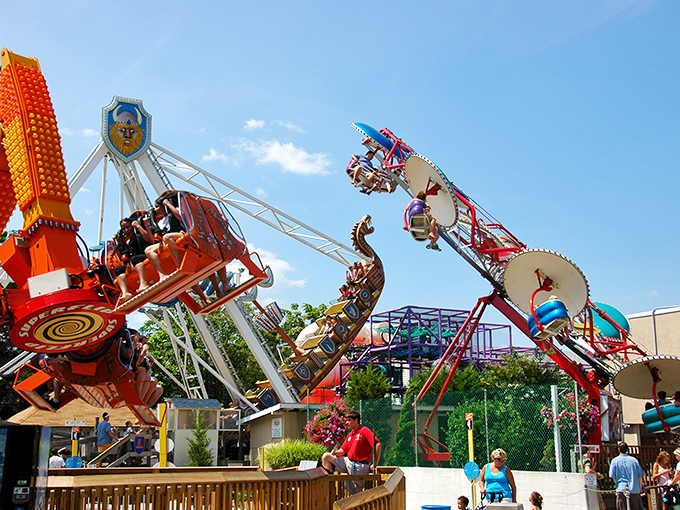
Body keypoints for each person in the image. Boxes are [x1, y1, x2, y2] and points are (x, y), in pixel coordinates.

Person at [321, 410, 381, 495]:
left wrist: (375, 464)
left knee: (355, 493)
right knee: (326, 457)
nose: (347, 422)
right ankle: (330, 487)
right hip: (348, 462)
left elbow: (377, 444)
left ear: (356, 420)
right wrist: (335, 452)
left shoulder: (364, 431)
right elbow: (343, 450)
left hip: (360, 465)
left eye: (349, 420)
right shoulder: (350, 435)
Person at [113, 216, 153, 303]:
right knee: (118, 270)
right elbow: (121, 257)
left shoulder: (139, 235)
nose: (126, 230)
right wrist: (117, 243)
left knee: (135, 259)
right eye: (124, 229)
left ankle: (143, 283)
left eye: (128, 227)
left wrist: (138, 226)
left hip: (145, 256)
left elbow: (149, 240)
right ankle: (125, 292)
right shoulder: (126, 242)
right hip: (134, 263)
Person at [609, 441, 644, 510]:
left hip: (621, 489)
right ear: (627, 449)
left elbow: (612, 475)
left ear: (619, 450)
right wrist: (640, 488)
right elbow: (640, 475)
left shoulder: (615, 461)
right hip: (634, 489)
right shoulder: (634, 460)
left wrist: (617, 488)